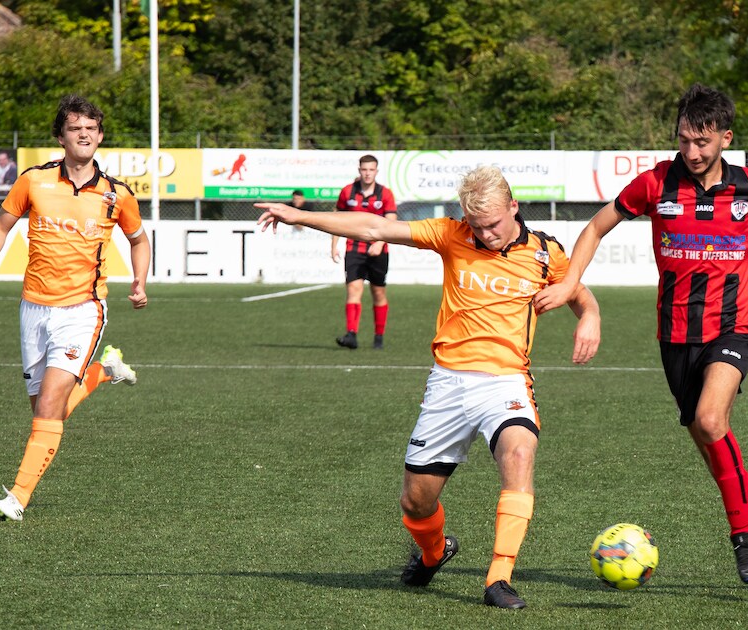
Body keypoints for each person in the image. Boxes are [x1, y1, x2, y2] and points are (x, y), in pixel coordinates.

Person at [533, 84, 748, 592]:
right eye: (684, 140)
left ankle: (741, 536)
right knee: (717, 453)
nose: (692, 152)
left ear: (725, 138)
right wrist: (568, 283)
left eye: (703, 141)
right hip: (674, 338)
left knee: (712, 420)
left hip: (732, 330)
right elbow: (595, 228)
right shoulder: (654, 185)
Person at [256, 165, 601, 609]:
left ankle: (498, 578)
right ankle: (435, 551)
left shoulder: (543, 252)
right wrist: (300, 216)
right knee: (416, 503)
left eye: (493, 224)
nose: (486, 234)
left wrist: (590, 316)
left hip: (507, 381)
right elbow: (375, 226)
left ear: (513, 207)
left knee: (519, 453)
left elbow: (579, 292)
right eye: (476, 225)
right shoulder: (451, 234)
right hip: (448, 383)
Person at [0, 95, 150, 522]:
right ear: (61, 136)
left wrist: (139, 281)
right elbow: (3, 225)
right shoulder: (33, 181)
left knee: (48, 409)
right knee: (48, 410)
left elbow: (138, 240)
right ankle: (105, 370)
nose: (84, 134)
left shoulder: (116, 193)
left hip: (83, 310)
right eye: (75, 127)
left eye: (91, 128)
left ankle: (18, 498)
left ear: (100, 136)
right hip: (33, 308)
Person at [330, 155, 397, 350]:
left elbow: (391, 223)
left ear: (376, 171)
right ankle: (351, 334)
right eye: (364, 170)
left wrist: (380, 242)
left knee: (378, 292)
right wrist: (334, 244)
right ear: (359, 170)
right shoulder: (347, 192)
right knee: (353, 289)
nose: (367, 173)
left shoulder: (385, 194)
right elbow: (337, 220)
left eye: (371, 170)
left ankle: (379, 336)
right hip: (354, 248)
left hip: (379, 251)